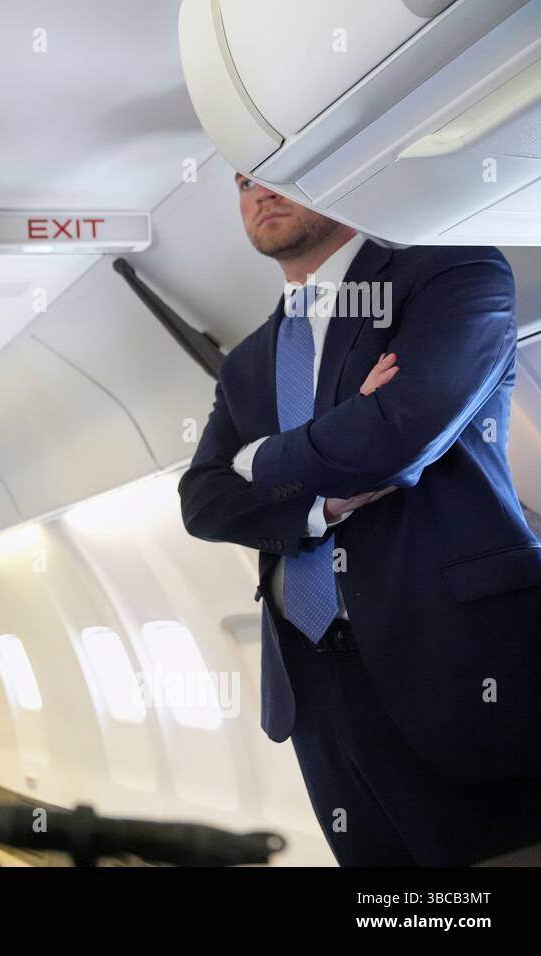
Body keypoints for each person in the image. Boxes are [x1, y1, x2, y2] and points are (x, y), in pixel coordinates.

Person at [178, 172, 541, 865]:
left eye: (278, 173)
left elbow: (396, 436)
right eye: (243, 182)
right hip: (315, 686)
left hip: (458, 661)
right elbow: (201, 501)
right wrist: (318, 502)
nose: (261, 192)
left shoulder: (447, 271)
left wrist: (256, 459)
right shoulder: (250, 362)